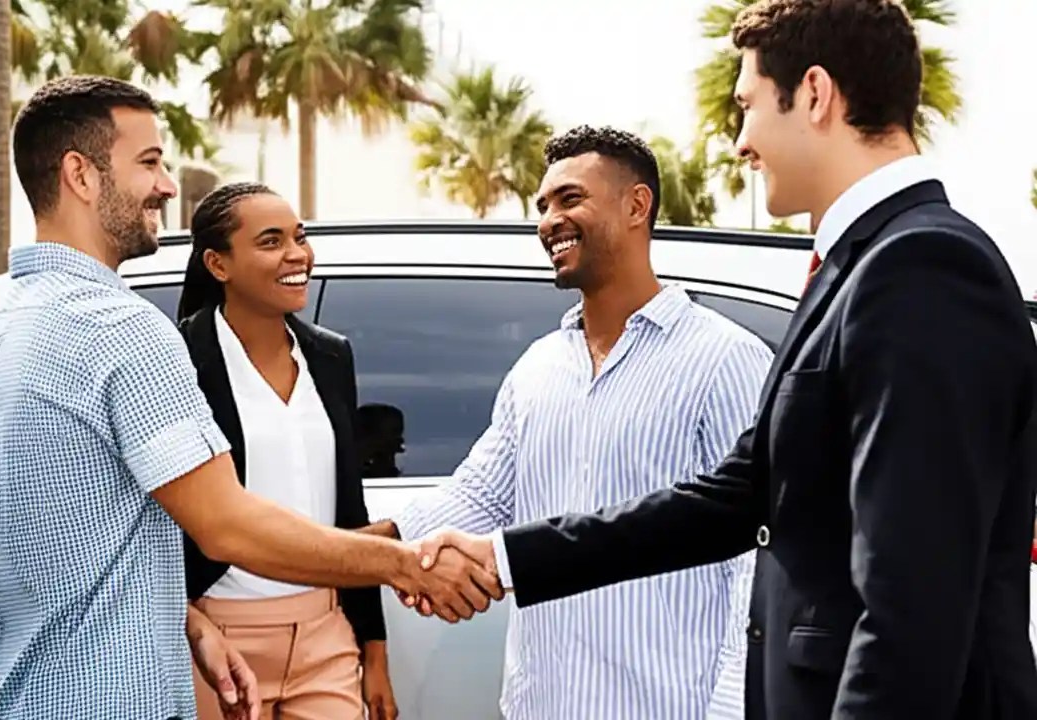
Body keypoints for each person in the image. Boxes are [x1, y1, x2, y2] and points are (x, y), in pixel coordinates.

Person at [417, 2, 1037, 719]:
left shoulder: (924, 268)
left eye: (746, 107)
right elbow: (738, 496)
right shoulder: (857, 267)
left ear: (814, 94)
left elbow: (914, 603)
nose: (741, 141)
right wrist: (505, 559)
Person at [0, 75, 500, 720]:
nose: (168, 185)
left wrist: (193, 626)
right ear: (81, 174)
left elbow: (68, 541)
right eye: (148, 162)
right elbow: (226, 522)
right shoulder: (120, 327)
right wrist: (403, 564)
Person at [371, 125, 774, 719]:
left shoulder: (724, 358)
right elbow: (477, 495)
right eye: (542, 206)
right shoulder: (538, 367)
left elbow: (755, 561)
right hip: (542, 705)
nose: (549, 221)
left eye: (570, 199)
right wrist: (342, 552)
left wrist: (731, 708)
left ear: (637, 205)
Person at [174, 181, 397, 720]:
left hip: (325, 635)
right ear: (217, 264)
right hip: (216, 641)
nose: (297, 254)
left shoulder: (330, 356)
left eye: (300, 237)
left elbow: (349, 511)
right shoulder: (180, 358)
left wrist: (374, 648)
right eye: (271, 242)